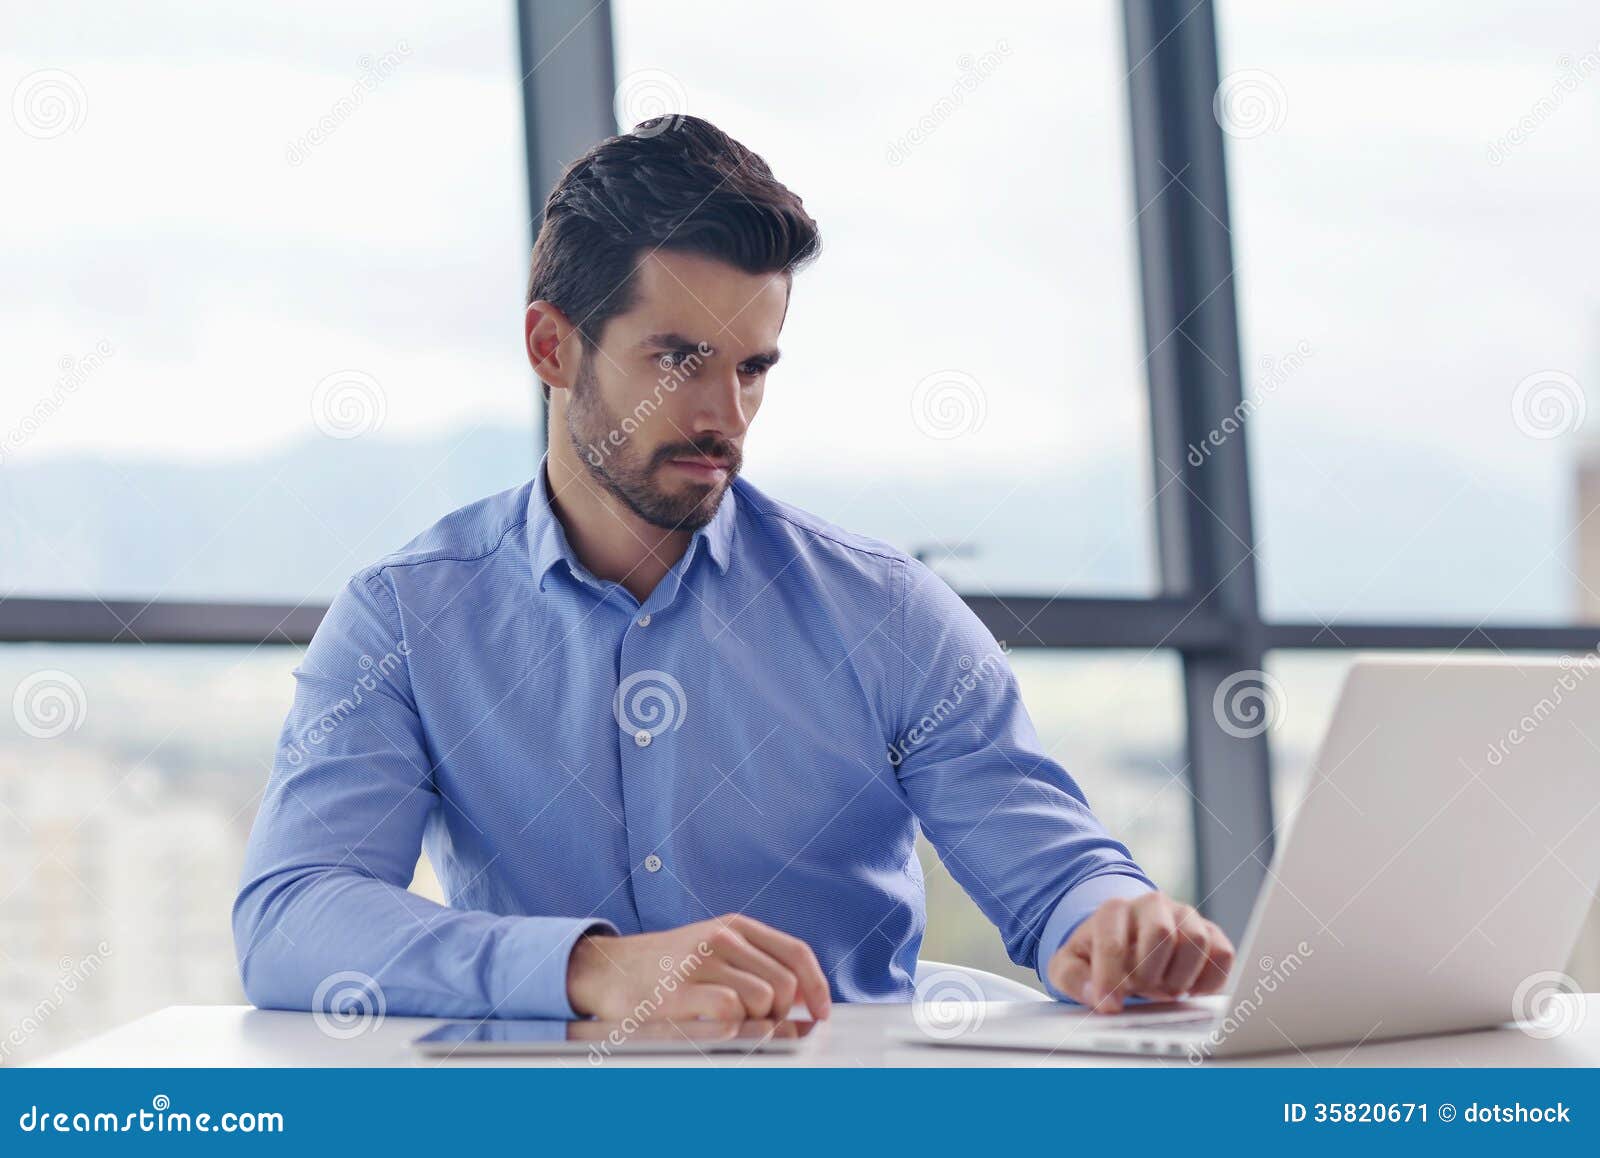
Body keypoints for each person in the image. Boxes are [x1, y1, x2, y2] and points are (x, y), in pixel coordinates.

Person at [233, 115, 1234, 1025]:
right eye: (679, 361)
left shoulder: (886, 613)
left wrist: (1118, 926)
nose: (724, 415)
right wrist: (589, 968)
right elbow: (291, 914)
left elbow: (1058, 880)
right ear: (551, 347)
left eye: (751, 367)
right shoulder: (407, 617)